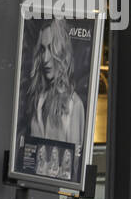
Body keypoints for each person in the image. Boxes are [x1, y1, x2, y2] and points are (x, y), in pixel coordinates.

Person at [25, 16, 86, 153]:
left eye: (51, 49)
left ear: (61, 52)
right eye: (42, 50)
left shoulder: (74, 105)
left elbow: (75, 166)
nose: (45, 59)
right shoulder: (39, 102)